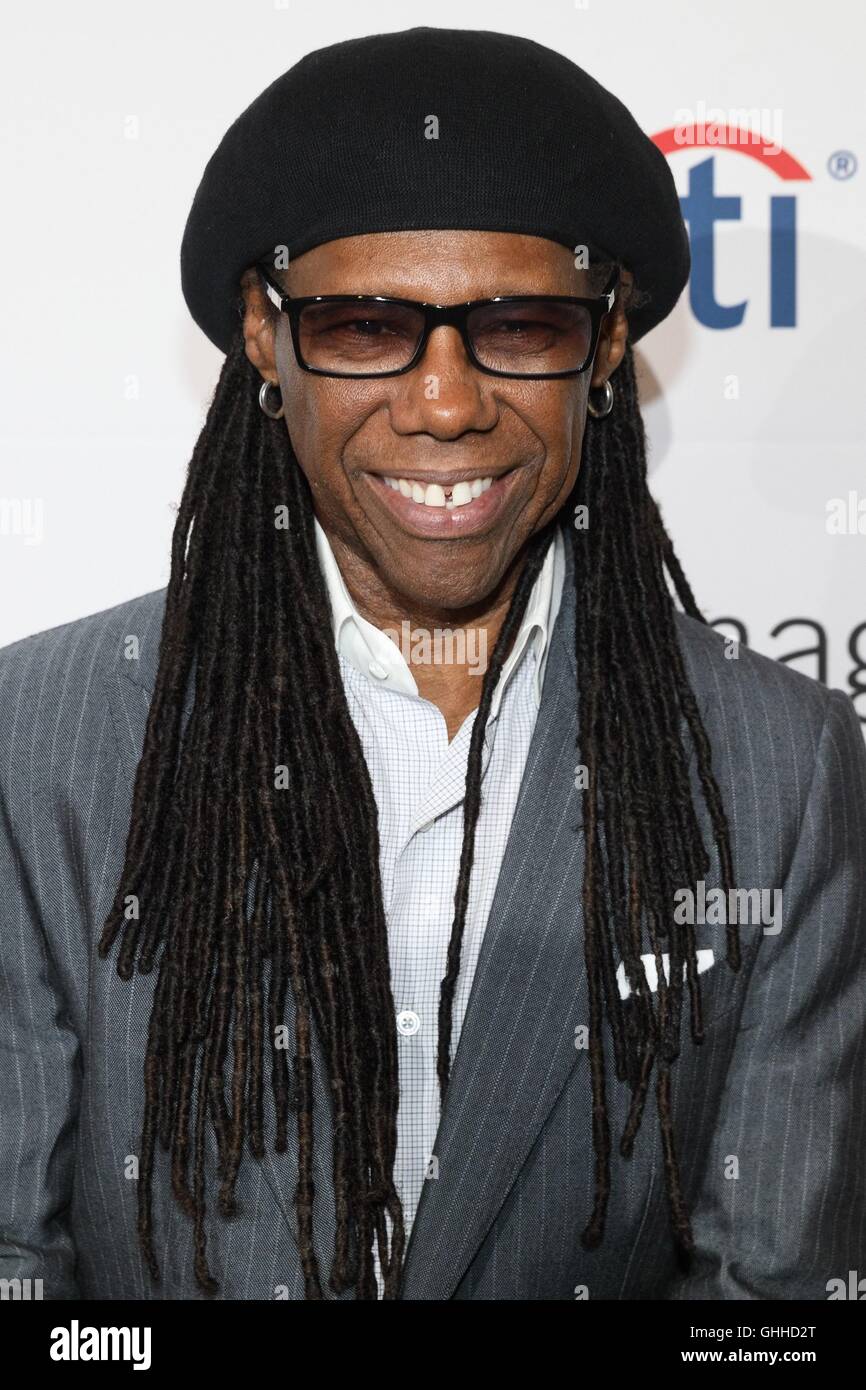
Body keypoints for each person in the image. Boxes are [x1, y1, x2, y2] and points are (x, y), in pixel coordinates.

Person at [1, 27, 864, 1303]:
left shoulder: (778, 768)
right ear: (262, 335)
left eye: (517, 325)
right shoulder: (42, 737)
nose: (446, 402)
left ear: (606, 340)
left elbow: (773, 1302)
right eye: (365, 326)